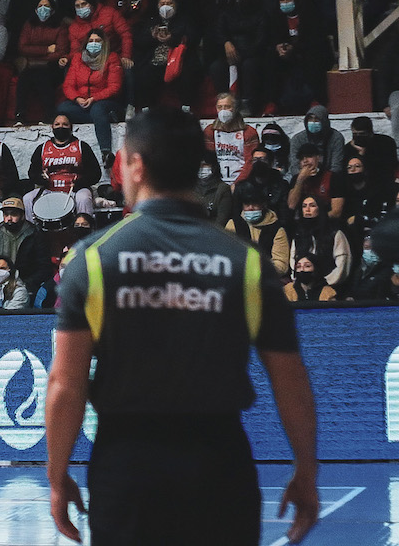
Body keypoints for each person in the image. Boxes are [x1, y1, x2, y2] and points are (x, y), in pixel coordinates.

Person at [47, 107, 318, 546]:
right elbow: (290, 378)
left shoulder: (91, 259)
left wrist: (57, 477)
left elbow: (65, 383)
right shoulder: (247, 263)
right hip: (218, 463)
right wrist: (306, 469)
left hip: (128, 465)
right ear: (198, 164)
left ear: (135, 164)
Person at [58, 29, 123, 165]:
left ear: (104, 43)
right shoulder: (77, 58)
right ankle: (103, 119)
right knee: (63, 108)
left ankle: (106, 152)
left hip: (105, 102)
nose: (94, 44)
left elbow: (114, 87)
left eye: (98, 41)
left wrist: (94, 98)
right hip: (82, 103)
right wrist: (77, 98)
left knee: (97, 109)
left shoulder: (111, 58)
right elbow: (68, 85)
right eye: (91, 41)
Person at [24, 116, 102, 216]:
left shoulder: (82, 146)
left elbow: (95, 173)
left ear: (71, 127)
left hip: (75, 189)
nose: (61, 127)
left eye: (65, 124)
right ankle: (32, 230)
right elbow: (32, 173)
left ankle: (85, 227)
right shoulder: (42, 148)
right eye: (57, 124)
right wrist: (41, 178)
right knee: (27, 198)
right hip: (49, 190)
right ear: (52, 127)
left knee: (83, 198)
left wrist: (80, 183)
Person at [0, 198, 54, 307]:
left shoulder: (35, 236)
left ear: (22, 215)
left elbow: (44, 268)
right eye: (6, 214)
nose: (9, 218)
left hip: (27, 288)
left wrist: (25, 284)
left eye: (13, 214)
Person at [15, 0, 70, 124]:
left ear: (52, 10)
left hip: (51, 67)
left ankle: (49, 116)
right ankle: (20, 116)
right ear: (35, 10)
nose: (43, 9)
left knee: (42, 77)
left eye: (46, 6)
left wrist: (36, 57)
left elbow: (61, 51)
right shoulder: (29, 24)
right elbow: (22, 48)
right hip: (31, 67)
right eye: (40, 6)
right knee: (23, 79)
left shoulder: (60, 26)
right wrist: (46, 49)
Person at [227, 184, 291, 276]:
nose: (250, 208)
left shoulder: (277, 229)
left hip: (265, 279)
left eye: (254, 204)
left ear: (263, 205)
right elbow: (227, 254)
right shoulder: (233, 224)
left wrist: (256, 270)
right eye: (247, 204)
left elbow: (281, 265)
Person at [204, 93, 260, 184]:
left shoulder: (249, 132)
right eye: (219, 107)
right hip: (217, 181)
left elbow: (250, 161)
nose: (223, 111)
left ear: (235, 108)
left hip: (242, 182)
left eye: (227, 107)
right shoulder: (210, 131)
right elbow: (209, 160)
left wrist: (238, 183)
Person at [288, 104, 345, 176]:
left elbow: (337, 166)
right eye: (310, 118)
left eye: (317, 119)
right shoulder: (298, 139)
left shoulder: (336, 138)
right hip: (303, 177)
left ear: (324, 121)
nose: (313, 121)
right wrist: (304, 176)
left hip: (328, 179)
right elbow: (294, 166)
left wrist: (322, 179)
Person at [196, 151, 234, 228]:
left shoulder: (223, 189)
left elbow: (222, 220)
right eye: (198, 165)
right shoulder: (191, 187)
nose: (201, 168)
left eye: (205, 165)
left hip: (213, 232)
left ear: (214, 166)